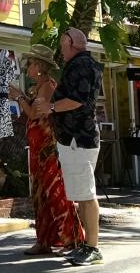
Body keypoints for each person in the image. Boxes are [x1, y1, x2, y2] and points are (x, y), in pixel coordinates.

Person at [33, 28, 104, 266]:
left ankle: (93, 247)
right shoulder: (80, 65)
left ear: (73, 44)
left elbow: (79, 99)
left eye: (63, 46)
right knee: (81, 194)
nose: (61, 52)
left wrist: (51, 108)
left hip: (79, 138)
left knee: (86, 193)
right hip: (73, 138)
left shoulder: (82, 65)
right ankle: (86, 245)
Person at [9, 44, 84, 257]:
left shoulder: (48, 87)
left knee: (56, 194)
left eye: (31, 63)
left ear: (40, 66)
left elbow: (34, 113)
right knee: (40, 195)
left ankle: (72, 240)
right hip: (37, 148)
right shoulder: (38, 87)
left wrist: (19, 97)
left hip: (48, 149)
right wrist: (22, 96)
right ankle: (44, 240)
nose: (28, 68)